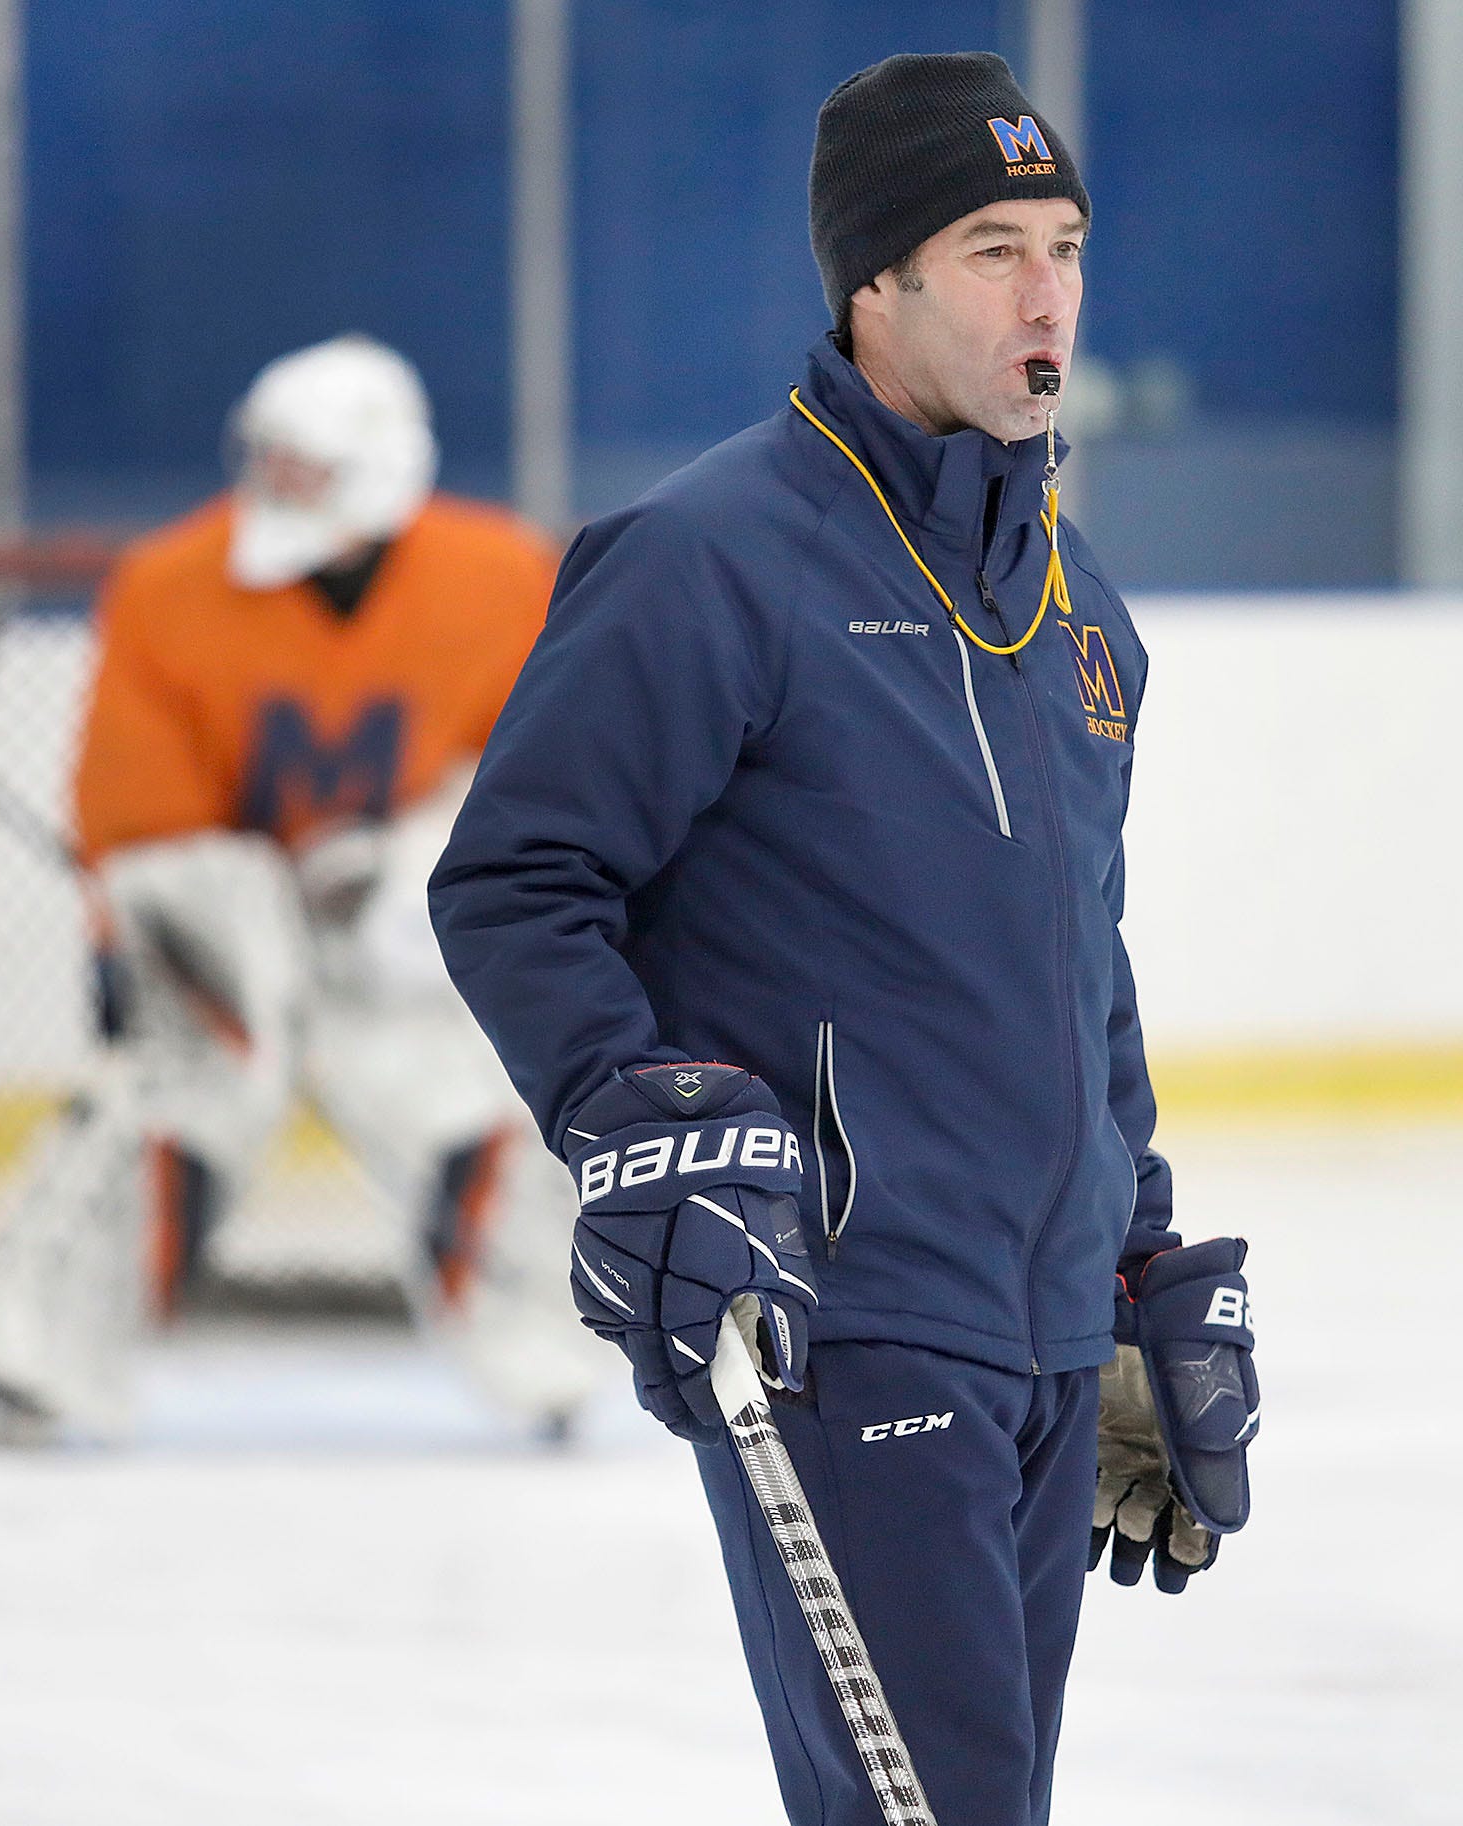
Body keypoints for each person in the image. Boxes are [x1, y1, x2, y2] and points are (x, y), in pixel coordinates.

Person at [430, 54, 1258, 1826]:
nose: (1047, 293)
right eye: (987, 248)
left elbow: (1074, 965)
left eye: (1066, 245)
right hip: (847, 1319)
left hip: (1035, 1329)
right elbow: (517, 879)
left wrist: (1131, 1251)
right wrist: (629, 1103)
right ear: (871, 282)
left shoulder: (1074, 610)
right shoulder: (716, 558)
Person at [0, 333, 602, 1443]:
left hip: (397, 899)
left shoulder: (498, 573)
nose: (279, 491)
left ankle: (548, 1347)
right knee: (191, 1084)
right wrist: (250, 905)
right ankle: (38, 1353)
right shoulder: (169, 582)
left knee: (460, 1090)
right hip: (228, 901)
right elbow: (136, 823)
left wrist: (416, 866)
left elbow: (545, 768)